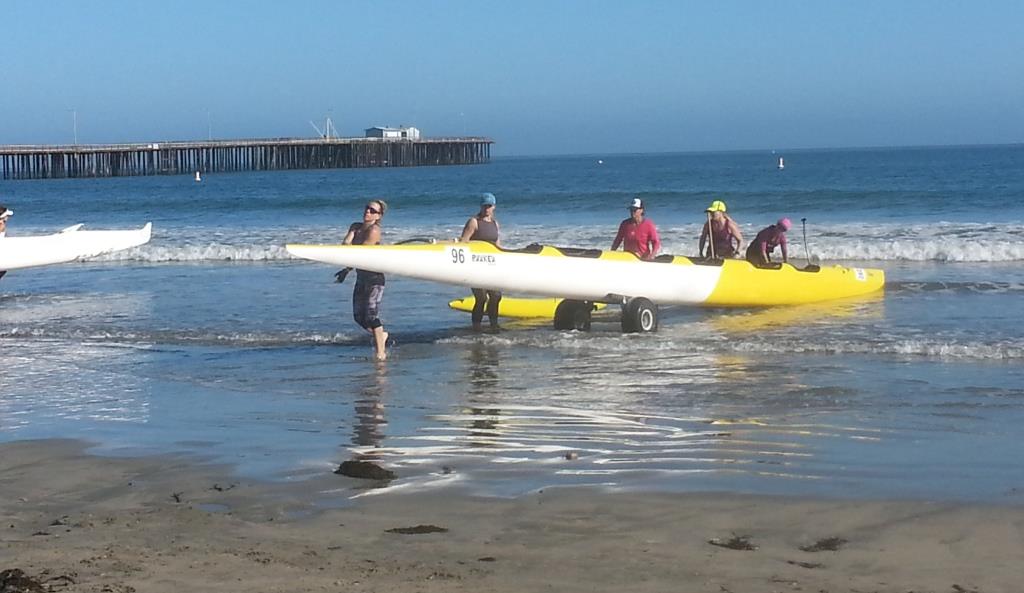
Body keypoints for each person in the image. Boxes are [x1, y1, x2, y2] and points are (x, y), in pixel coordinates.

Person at [343, 199, 389, 361]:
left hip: (374, 278)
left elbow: (360, 253)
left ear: (379, 216)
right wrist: (346, 270)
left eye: (372, 210)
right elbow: (345, 245)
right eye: (366, 208)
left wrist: (349, 254)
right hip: (361, 276)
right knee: (358, 317)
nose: (367, 212)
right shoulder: (355, 227)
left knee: (370, 316)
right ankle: (381, 335)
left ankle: (380, 353)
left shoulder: (374, 231)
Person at [459, 192, 502, 330]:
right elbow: (463, 242)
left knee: (496, 296)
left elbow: (497, 245)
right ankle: (476, 326)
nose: (486, 209)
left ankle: (494, 324)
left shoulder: (495, 224)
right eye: (484, 206)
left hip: (491, 266)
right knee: (481, 297)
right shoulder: (474, 222)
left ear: (494, 207)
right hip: (475, 266)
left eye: (489, 206)